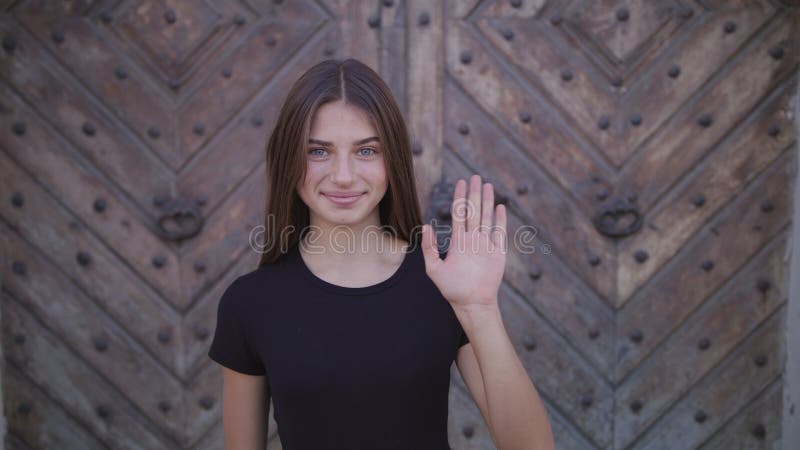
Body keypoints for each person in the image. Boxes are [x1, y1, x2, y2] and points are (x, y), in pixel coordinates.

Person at [208, 58, 554, 450]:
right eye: (318, 151)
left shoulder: (441, 280)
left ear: (393, 160)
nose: (343, 175)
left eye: (367, 151)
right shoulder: (251, 302)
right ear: (289, 159)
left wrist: (479, 309)